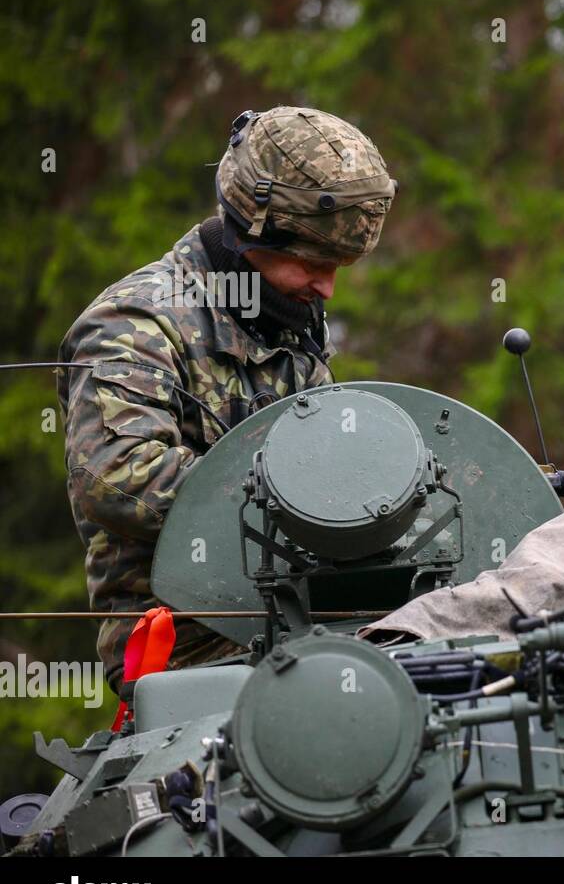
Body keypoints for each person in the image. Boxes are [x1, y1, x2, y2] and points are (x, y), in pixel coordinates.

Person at [56, 106, 396, 693]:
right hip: (193, 645)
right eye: (314, 263)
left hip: (315, 618)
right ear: (249, 235)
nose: (327, 288)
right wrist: (308, 500)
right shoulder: (135, 321)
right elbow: (115, 476)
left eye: (340, 267)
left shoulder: (287, 317)